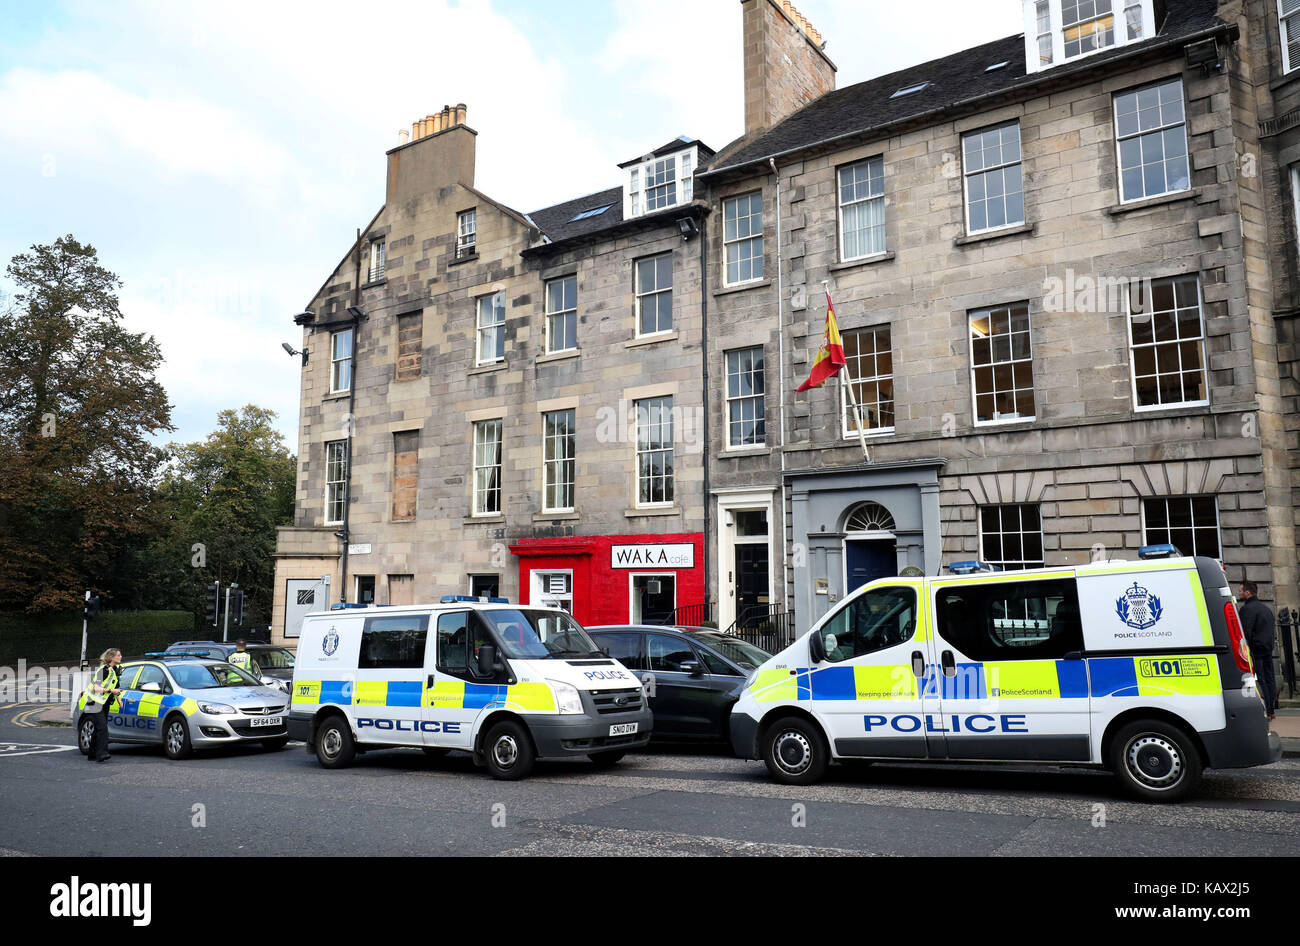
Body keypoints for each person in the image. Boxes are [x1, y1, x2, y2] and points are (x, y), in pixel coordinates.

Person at [1238, 581, 1277, 721]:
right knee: (1269, 679)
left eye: (1241, 591)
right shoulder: (1266, 608)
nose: (1239, 593)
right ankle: (1271, 710)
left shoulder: (1247, 609)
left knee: (1260, 681)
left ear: (1248, 592)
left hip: (1256, 650)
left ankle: (1266, 710)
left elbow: (1245, 633)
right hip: (1267, 648)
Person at [78, 648, 123, 763]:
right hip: (94, 702)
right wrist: (110, 691)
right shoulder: (104, 670)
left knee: (98, 728)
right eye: (118, 655)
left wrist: (119, 699)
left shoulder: (115, 670)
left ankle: (92, 754)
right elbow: (95, 687)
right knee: (103, 728)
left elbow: (116, 687)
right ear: (112, 658)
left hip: (104, 703)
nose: (121, 657)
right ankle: (102, 753)